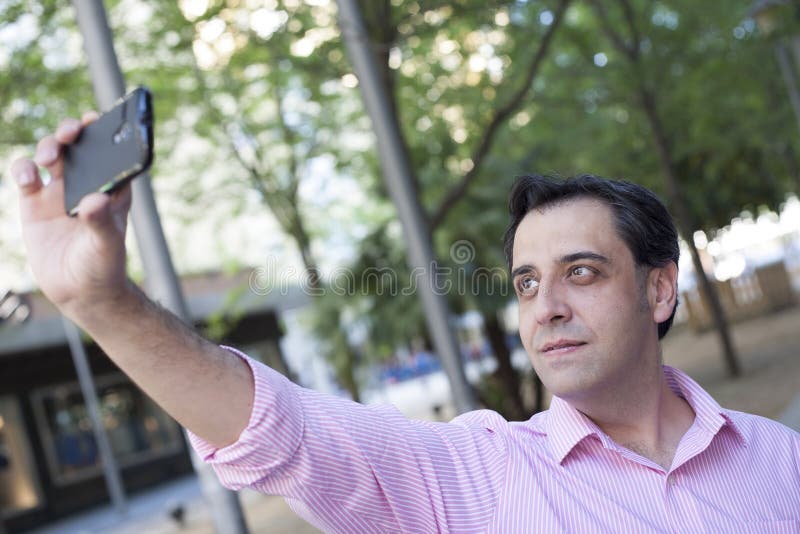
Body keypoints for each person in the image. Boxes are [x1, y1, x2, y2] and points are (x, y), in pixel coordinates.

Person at [11, 117, 800, 532]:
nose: (546, 306)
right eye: (527, 283)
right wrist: (102, 303)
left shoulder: (780, 459)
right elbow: (284, 434)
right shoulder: (479, 477)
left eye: (582, 273)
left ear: (659, 290)